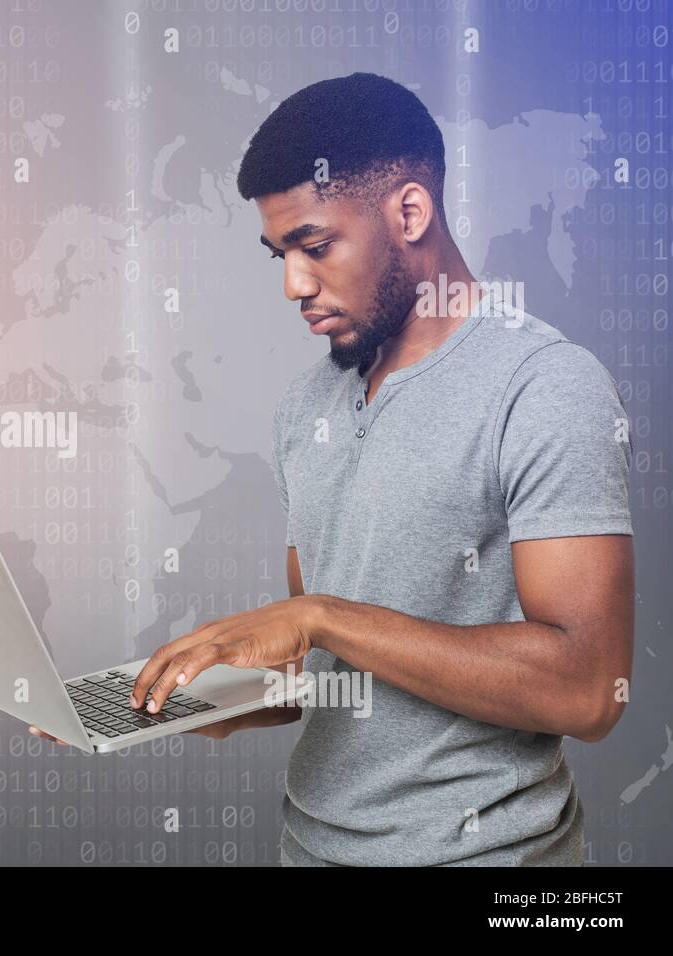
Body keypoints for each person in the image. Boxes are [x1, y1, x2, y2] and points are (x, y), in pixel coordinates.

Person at [32, 71, 634, 866]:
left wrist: (319, 615)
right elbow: (327, 673)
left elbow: (589, 690)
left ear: (410, 212)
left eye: (315, 246)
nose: (293, 284)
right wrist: (207, 699)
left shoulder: (546, 385)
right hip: (309, 847)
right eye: (279, 252)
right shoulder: (305, 406)